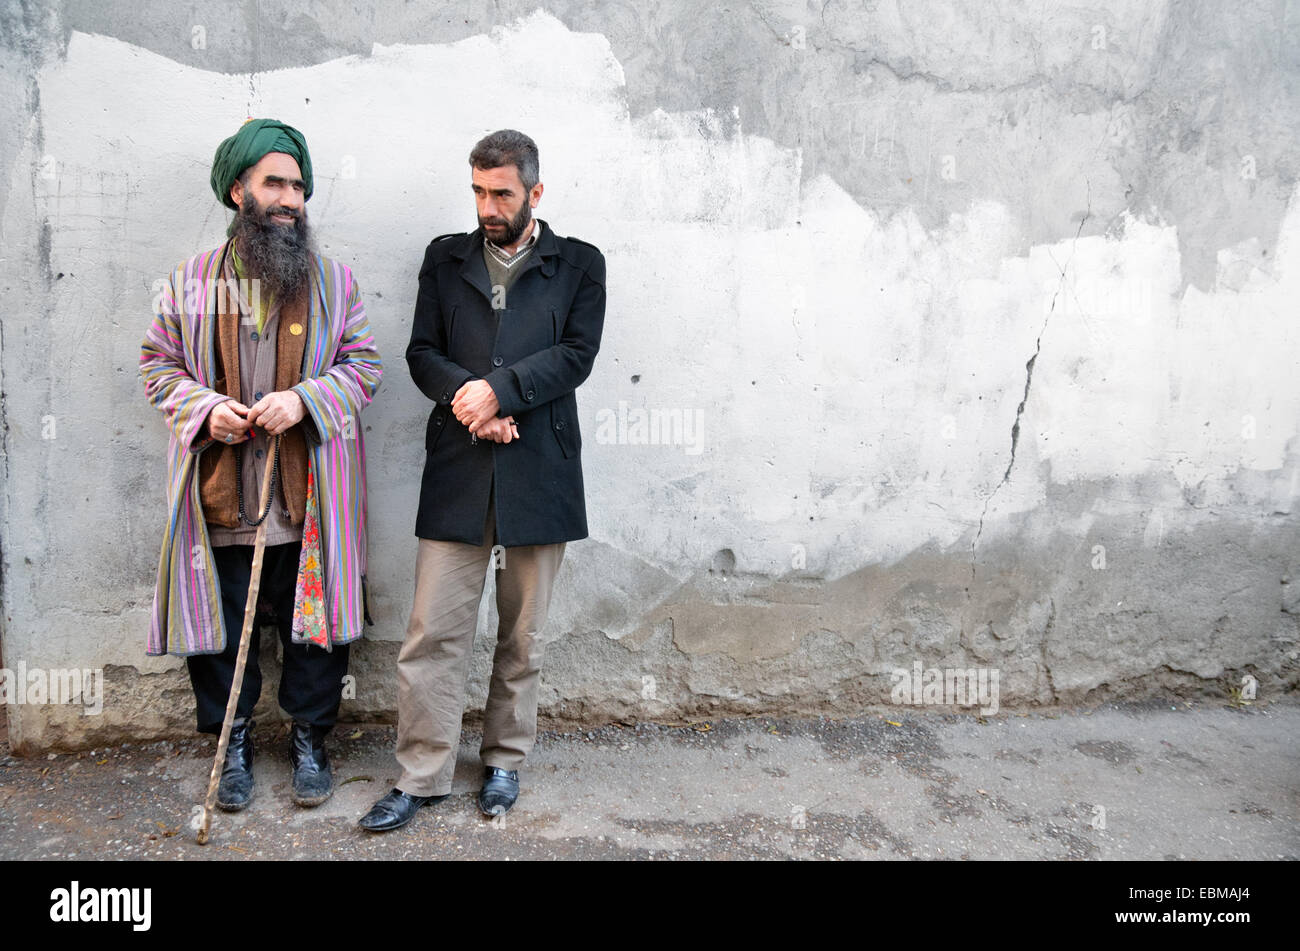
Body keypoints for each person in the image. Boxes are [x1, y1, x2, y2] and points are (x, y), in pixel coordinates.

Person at [359, 129, 605, 831]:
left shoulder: (581, 264)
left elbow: (576, 356)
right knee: (432, 631)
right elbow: (421, 352)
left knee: (522, 633)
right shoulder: (445, 258)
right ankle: (421, 772)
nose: (487, 205)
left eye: (500, 192)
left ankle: (503, 759)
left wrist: (498, 391)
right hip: (461, 465)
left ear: (535, 190)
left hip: (541, 468)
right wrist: (473, 403)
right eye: (477, 190)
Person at [140, 118, 382, 812]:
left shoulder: (335, 283)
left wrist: (305, 400)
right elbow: (157, 366)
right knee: (219, 633)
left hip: (307, 497)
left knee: (313, 627)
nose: (291, 198)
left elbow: (364, 367)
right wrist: (203, 410)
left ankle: (311, 736)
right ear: (237, 189)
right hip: (220, 497)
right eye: (275, 182)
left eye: (299, 185)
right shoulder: (189, 283)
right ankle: (232, 739)